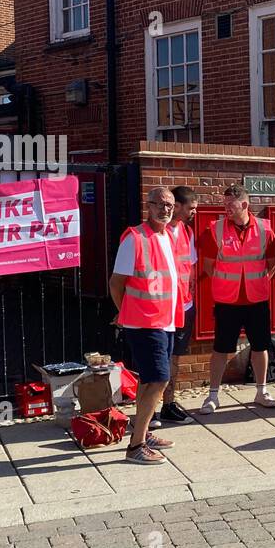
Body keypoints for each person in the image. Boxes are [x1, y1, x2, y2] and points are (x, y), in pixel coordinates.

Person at [109, 187, 180, 464]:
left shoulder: (167, 236)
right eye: (160, 204)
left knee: (150, 380)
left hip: (166, 320)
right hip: (145, 321)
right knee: (159, 378)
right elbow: (116, 284)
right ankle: (136, 446)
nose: (166, 209)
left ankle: (144, 430)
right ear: (148, 206)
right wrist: (126, 311)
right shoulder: (134, 238)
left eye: (170, 205)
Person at [199, 188, 275, 413]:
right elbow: (208, 265)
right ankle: (213, 395)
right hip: (227, 300)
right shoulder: (214, 229)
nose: (226, 209)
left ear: (244, 205)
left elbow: (272, 263)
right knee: (221, 348)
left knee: (260, 345)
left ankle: (261, 391)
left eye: (231, 205)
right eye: (225, 204)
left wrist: (258, 282)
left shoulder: (265, 228)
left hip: (257, 298)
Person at [157, 185, 198, 426]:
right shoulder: (155, 232)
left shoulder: (187, 232)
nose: (193, 212)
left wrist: (189, 296)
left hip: (183, 305)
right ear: (178, 206)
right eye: (191, 208)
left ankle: (168, 404)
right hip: (160, 306)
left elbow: (190, 268)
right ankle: (150, 407)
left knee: (175, 358)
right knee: (157, 357)